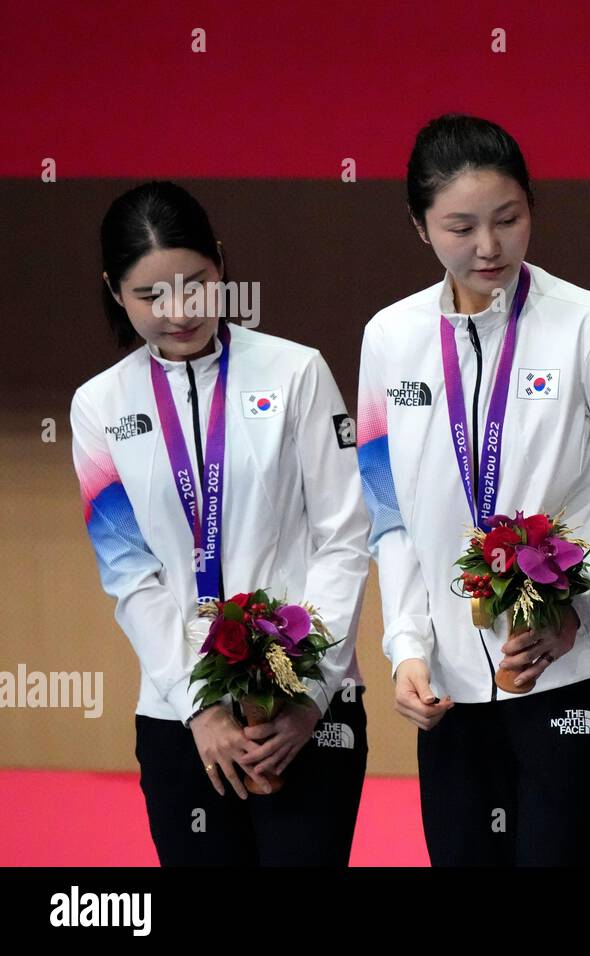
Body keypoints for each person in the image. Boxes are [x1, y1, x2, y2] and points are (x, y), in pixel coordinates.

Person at [358, 115, 590, 866]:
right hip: (452, 684)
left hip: (577, 667)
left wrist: (575, 604)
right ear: (420, 228)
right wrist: (406, 646)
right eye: (460, 226)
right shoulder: (389, 337)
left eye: (509, 219)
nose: (489, 247)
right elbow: (389, 514)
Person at [71, 181, 371, 865]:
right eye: (150, 295)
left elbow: (343, 536)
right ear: (115, 291)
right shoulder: (98, 406)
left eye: (195, 283)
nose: (177, 311)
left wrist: (308, 695)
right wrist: (199, 709)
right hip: (182, 715)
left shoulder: (296, 372)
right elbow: (129, 574)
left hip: (310, 709)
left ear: (223, 266)